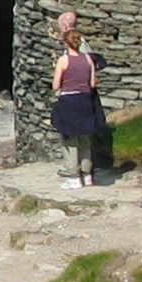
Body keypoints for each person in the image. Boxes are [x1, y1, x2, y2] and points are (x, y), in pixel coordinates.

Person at [51, 26, 107, 188]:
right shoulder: (88, 60)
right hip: (85, 100)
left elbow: (55, 85)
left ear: (66, 44)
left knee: (70, 139)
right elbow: (91, 83)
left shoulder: (64, 60)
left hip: (69, 101)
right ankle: (87, 174)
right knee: (85, 137)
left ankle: (73, 176)